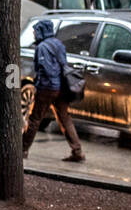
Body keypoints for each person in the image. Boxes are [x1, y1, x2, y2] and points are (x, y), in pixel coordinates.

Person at [22, 18, 84, 163]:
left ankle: (22, 150)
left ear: (41, 31)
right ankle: (77, 151)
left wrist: (39, 85)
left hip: (47, 88)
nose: (34, 34)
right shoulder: (58, 44)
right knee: (65, 118)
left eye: (35, 31)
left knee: (35, 118)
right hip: (61, 87)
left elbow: (45, 69)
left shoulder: (42, 47)